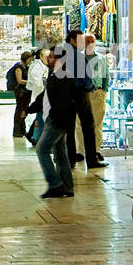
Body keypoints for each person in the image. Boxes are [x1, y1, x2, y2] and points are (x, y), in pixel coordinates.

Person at [59, 30, 107, 170]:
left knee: (70, 127)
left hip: (65, 94)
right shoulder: (76, 55)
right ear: (73, 40)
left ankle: (71, 158)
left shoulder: (61, 52)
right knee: (88, 126)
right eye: (80, 40)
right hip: (79, 93)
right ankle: (91, 160)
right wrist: (90, 86)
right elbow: (86, 76)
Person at [36, 44, 77, 198]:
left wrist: (53, 117)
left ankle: (55, 184)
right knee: (60, 153)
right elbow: (46, 96)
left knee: (42, 149)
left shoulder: (62, 76)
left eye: (52, 56)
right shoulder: (56, 74)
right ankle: (67, 187)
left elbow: (63, 102)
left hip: (56, 121)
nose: (49, 58)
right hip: (57, 120)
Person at [84, 34, 110, 162]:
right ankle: (80, 151)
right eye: (87, 41)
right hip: (82, 94)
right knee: (79, 123)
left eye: (91, 42)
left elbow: (106, 76)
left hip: (97, 93)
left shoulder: (101, 59)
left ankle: (96, 150)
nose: (89, 44)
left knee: (97, 124)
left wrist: (104, 91)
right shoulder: (78, 59)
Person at [26, 48, 50, 146]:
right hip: (39, 95)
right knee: (40, 120)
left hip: (42, 96)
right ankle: (39, 140)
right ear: (41, 56)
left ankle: (33, 136)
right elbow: (37, 81)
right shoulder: (37, 66)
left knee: (39, 119)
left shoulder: (42, 66)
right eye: (46, 57)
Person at [8, 50, 33, 139]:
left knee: (23, 110)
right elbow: (19, 80)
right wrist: (30, 82)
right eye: (30, 59)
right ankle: (17, 130)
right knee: (20, 110)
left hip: (26, 92)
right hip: (21, 92)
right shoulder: (19, 67)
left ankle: (22, 129)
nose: (30, 61)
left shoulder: (25, 67)